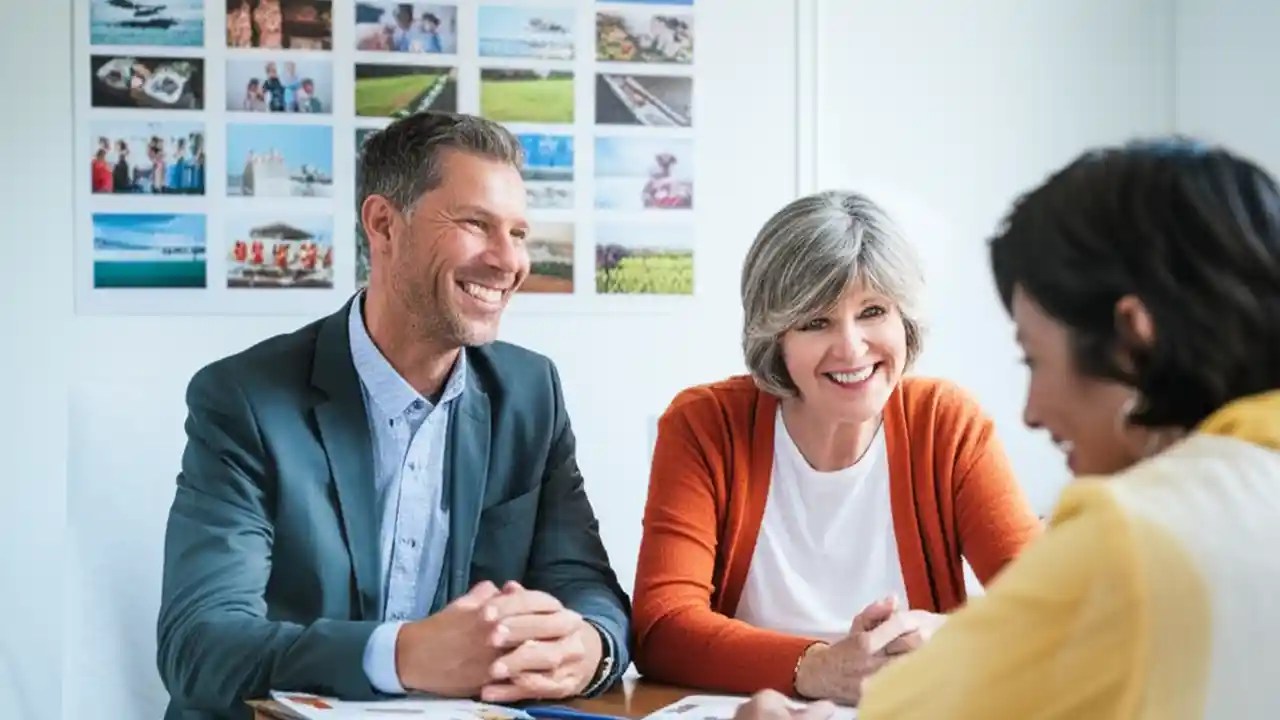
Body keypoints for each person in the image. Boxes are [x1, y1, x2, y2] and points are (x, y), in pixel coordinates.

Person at [732, 138, 1280, 720]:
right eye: (816, 321)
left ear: (1131, 339)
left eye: (1034, 359)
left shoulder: (1127, 540)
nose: (1031, 412)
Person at [156, 111, 631, 720]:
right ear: (383, 225)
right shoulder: (245, 399)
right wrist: (403, 655)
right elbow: (200, 646)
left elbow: (586, 585)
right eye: (476, 224)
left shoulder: (530, 391)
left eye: (519, 233)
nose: (507, 261)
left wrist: (590, 645)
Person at [631, 190, 1042, 706]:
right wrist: (816, 667)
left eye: (872, 311)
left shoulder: (945, 422)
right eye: (815, 322)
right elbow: (662, 628)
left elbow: (1046, 609)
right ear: (775, 337)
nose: (851, 347)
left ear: (904, 321)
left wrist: (954, 641)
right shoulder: (704, 424)